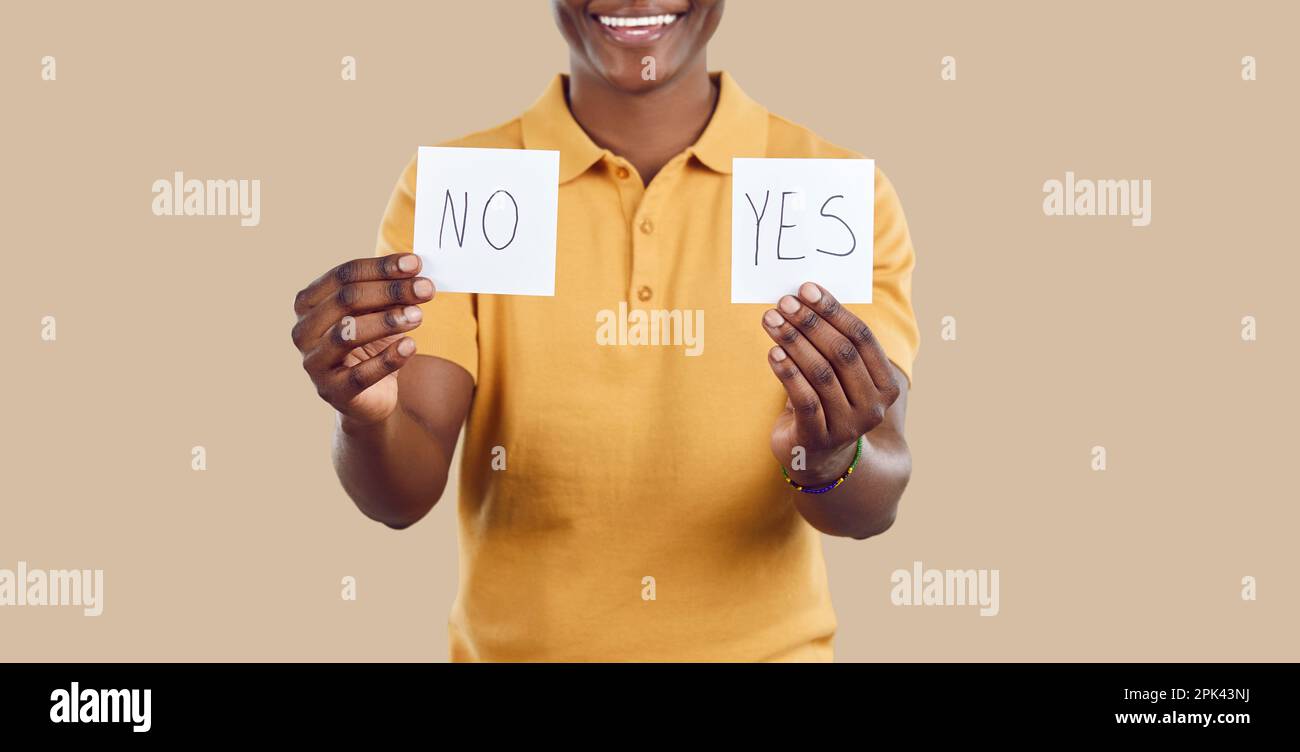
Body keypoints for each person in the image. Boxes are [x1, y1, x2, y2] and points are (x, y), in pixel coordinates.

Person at [290, 0, 919, 661]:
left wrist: (825, 460)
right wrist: (362, 418)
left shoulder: (835, 193)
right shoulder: (459, 187)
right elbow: (401, 495)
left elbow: (877, 500)